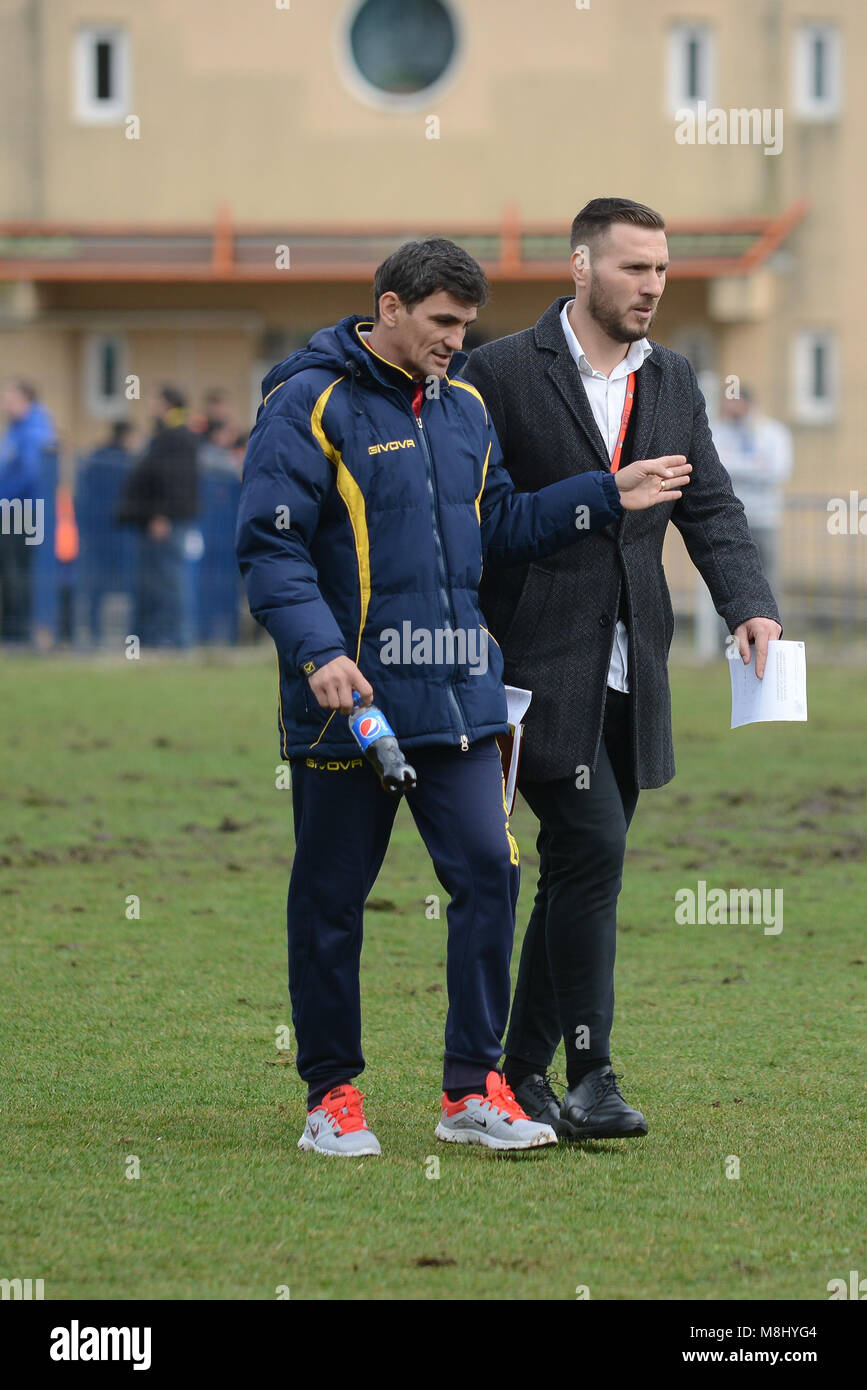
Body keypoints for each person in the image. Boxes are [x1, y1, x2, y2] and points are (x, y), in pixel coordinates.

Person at [235, 236, 691, 1157]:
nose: (456, 340)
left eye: (465, 325)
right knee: (331, 898)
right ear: (390, 308)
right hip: (346, 706)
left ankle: (470, 1087)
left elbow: (500, 527)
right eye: (442, 323)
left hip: (457, 703)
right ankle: (331, 1095)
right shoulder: (305, 402)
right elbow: (271, 546)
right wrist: (319, 652)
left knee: (490, 873)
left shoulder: (465, 407)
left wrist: (606, 493)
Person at [461, 198, 781, 1141]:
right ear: (580, 267)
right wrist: (597, 500)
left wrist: (749, 605)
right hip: (531, 663)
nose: (652, 286)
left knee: (575, 868)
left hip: (630, 666)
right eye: (634, 268)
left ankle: (517, 1073)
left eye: (661, 270)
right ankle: (591, 1072)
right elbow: (485, 513)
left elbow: (712, 510)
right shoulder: (500, 373)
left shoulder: (673, 378)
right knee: (592, 846)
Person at [116, 386, 199, 648]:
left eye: (154, 401)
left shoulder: (175, 436)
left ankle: (177, 640)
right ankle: (162, 638)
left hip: (166, 520)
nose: (150, 406)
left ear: (166, 404)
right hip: (159, 519)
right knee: (159, 582)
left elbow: (173, 479)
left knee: (170, 581)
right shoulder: (169, 435)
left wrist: (162, 513)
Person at [713, 389, 792, 599]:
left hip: (764, 518)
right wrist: (755, 465)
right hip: (729, 519)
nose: (729, 408)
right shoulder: (718, 432)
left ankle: (772, 630)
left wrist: (734, 468)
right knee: (728, 581)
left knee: (767, 580)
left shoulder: (773, 433)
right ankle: (729, 632)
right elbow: (714, 470)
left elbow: (777, 471)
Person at [0, 381, 56, 643]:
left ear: (25, 399)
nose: (5, 403)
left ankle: (18, 633)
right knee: (10, 571)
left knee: (16, 572)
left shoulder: (34, 431)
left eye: (9, 397)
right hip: (11, 508)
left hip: (20, 511)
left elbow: (30, 473)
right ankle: (11, 630)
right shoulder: (17, 430)